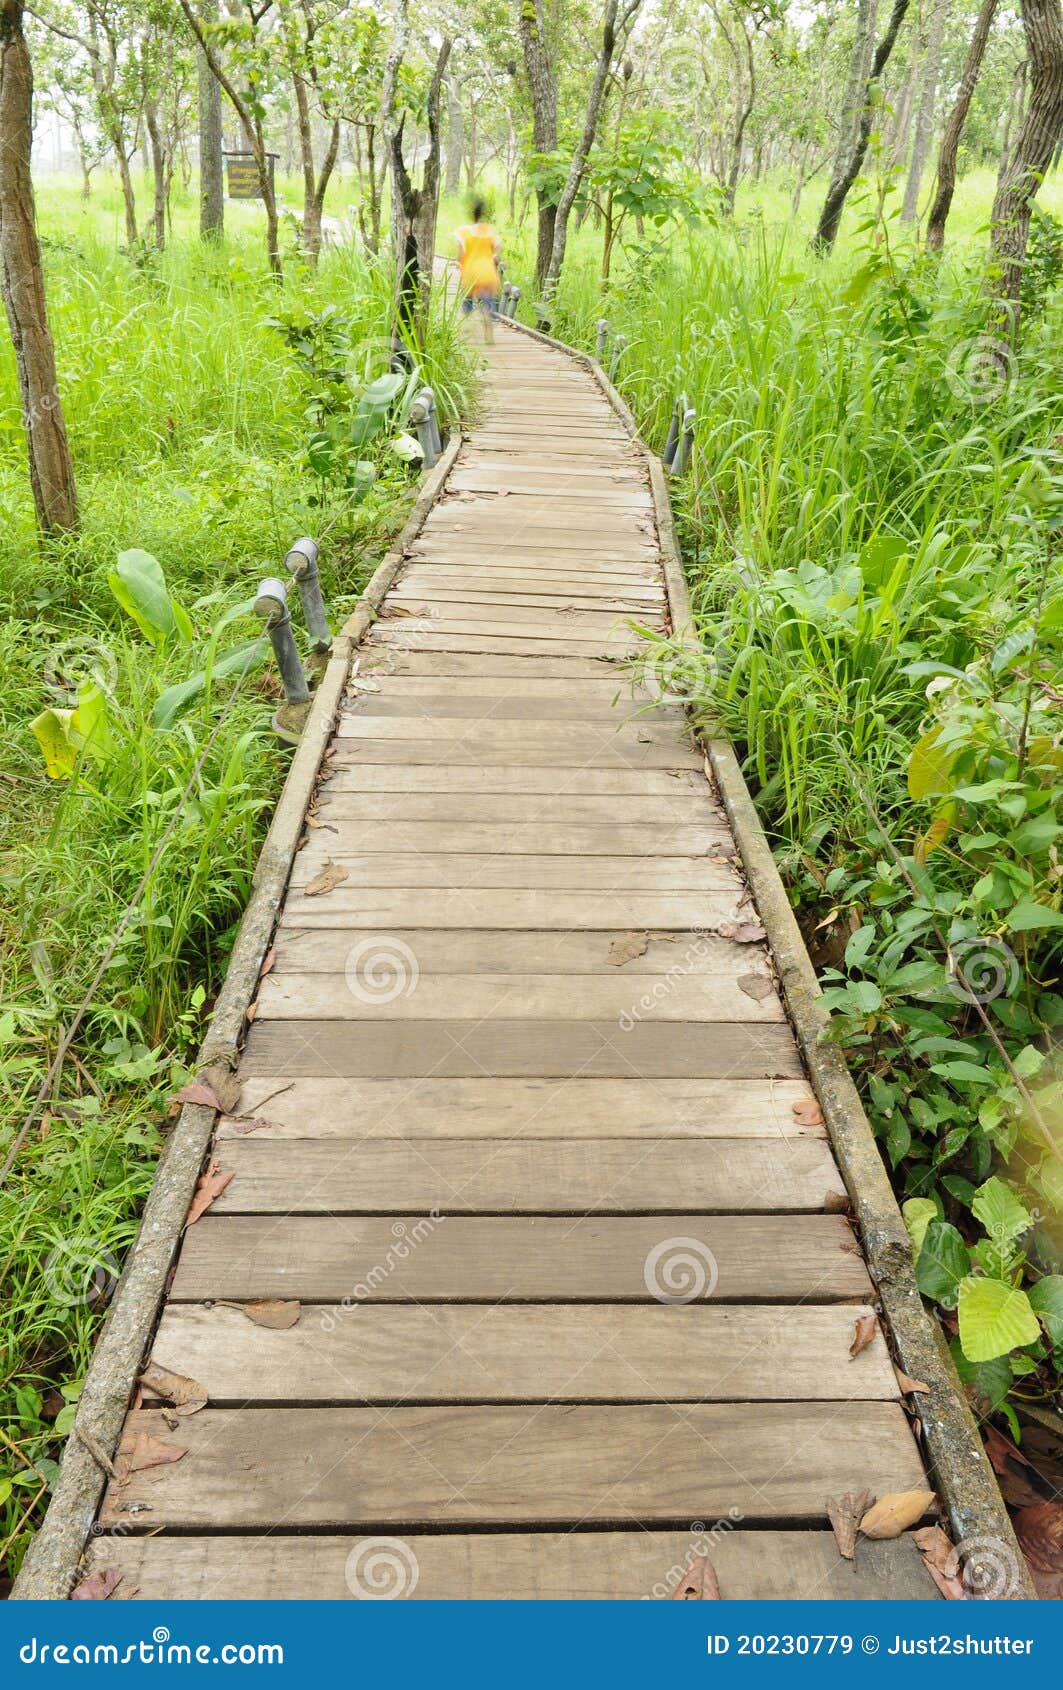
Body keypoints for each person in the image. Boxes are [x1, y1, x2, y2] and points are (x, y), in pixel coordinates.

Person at [456, 199, 502, 342]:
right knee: (486, 300)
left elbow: (461, 254)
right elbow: (497, 251)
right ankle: (488, 326)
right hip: (487, 271)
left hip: (470, 271)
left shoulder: (464, 231)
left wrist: (458, 263)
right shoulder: (490, 231)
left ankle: (467, 326)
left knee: (468, 300)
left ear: (472, 214)